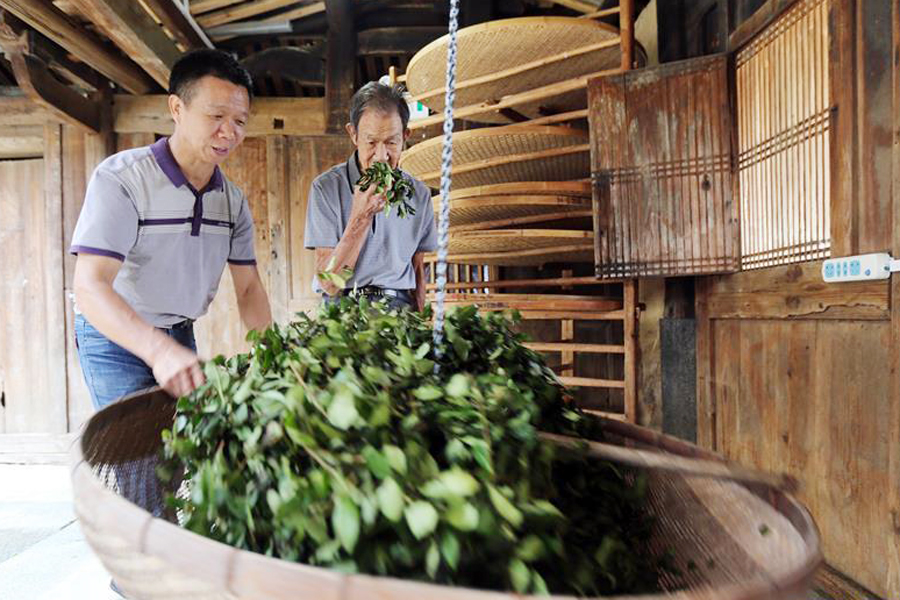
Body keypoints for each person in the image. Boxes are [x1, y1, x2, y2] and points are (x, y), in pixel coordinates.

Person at [71, 48, 272, 408]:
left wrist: (272, 353)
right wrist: (159, 351)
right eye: (216, 116)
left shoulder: (232, 201)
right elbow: (89, 286)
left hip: (179, 333)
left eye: (240, 121)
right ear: (177, 109)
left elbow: (248, 289)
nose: (229, 132)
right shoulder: (122, 180)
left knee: (183, 438)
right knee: (135, 443)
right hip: (114, 338)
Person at [304, 82, 437, 311]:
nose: (381, 156)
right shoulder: (325, 189)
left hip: (399, 310)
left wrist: (422, 320)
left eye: (391, 142)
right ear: (353, 134)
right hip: (342, 309)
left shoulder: (420, 195)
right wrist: (361, 216)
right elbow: (329, 283)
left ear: (405, 136)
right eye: (371, 142)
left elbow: (418, 270)